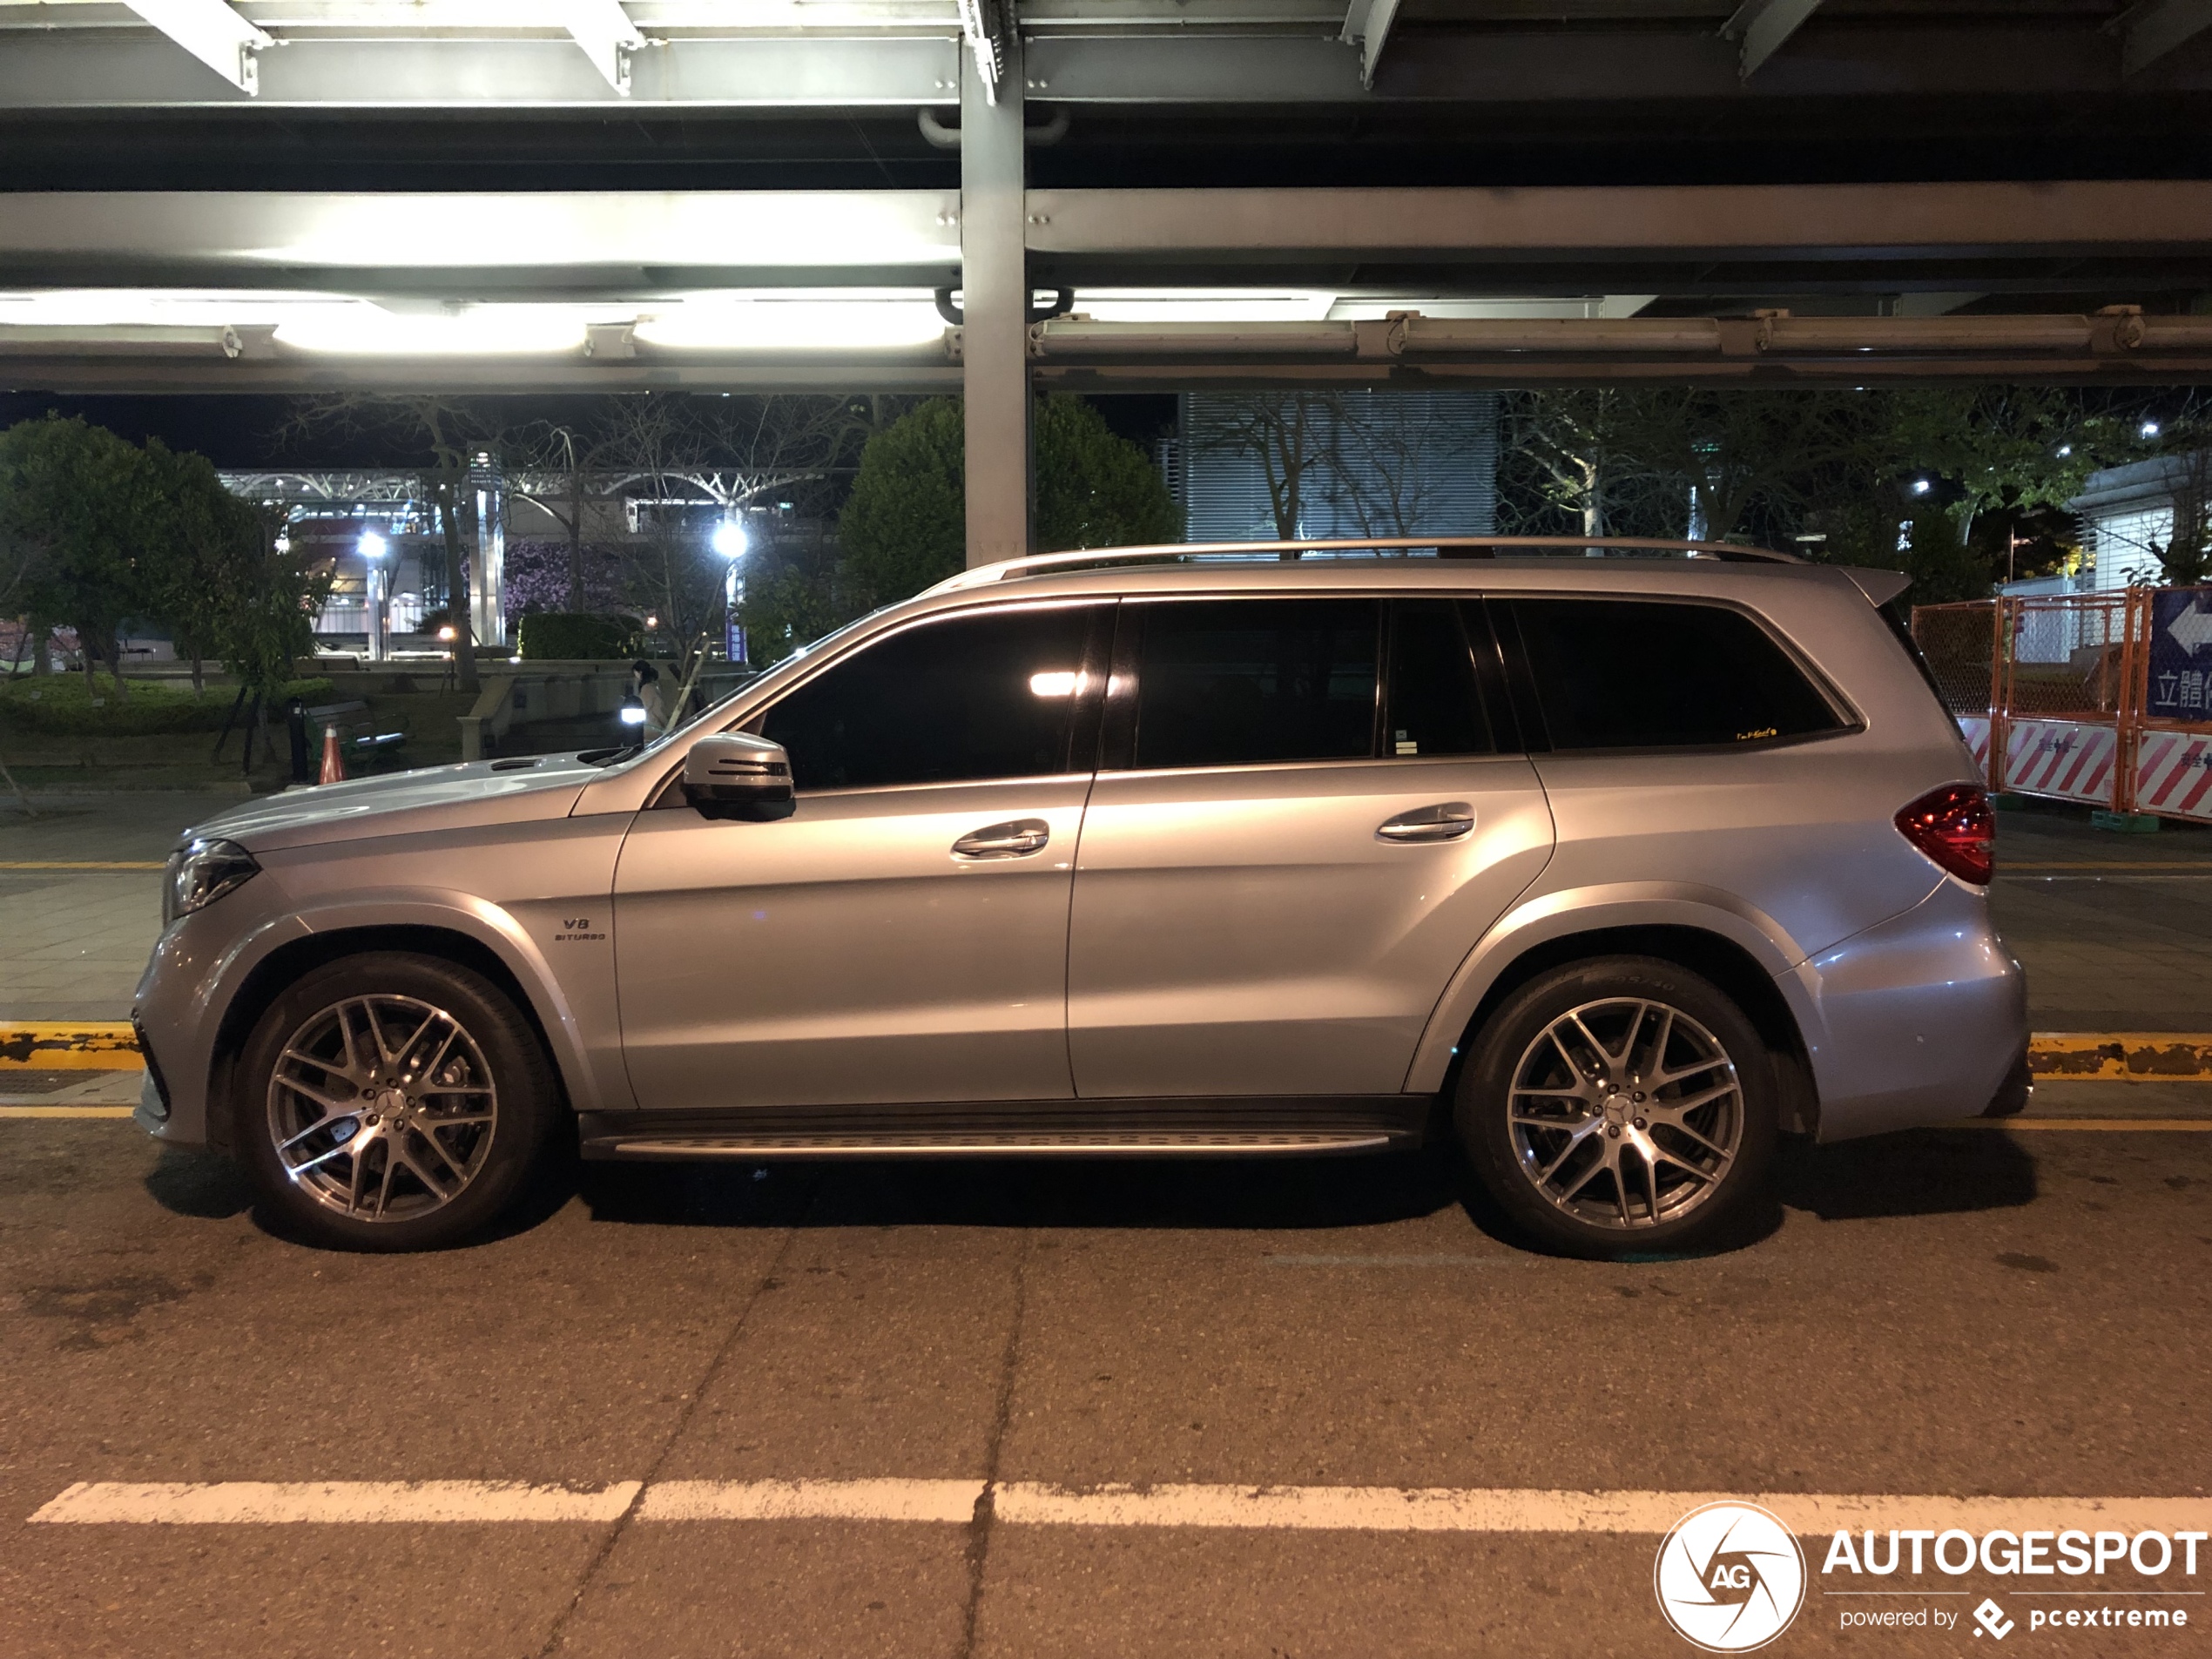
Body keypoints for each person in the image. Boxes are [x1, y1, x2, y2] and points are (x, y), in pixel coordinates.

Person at [631, 659, 667, 736]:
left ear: (640, 672)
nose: (635, 677)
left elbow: (644, 707)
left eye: (635, 673)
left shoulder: (647, 688)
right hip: (657, 726)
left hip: (651, 727)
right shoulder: (654, 686)